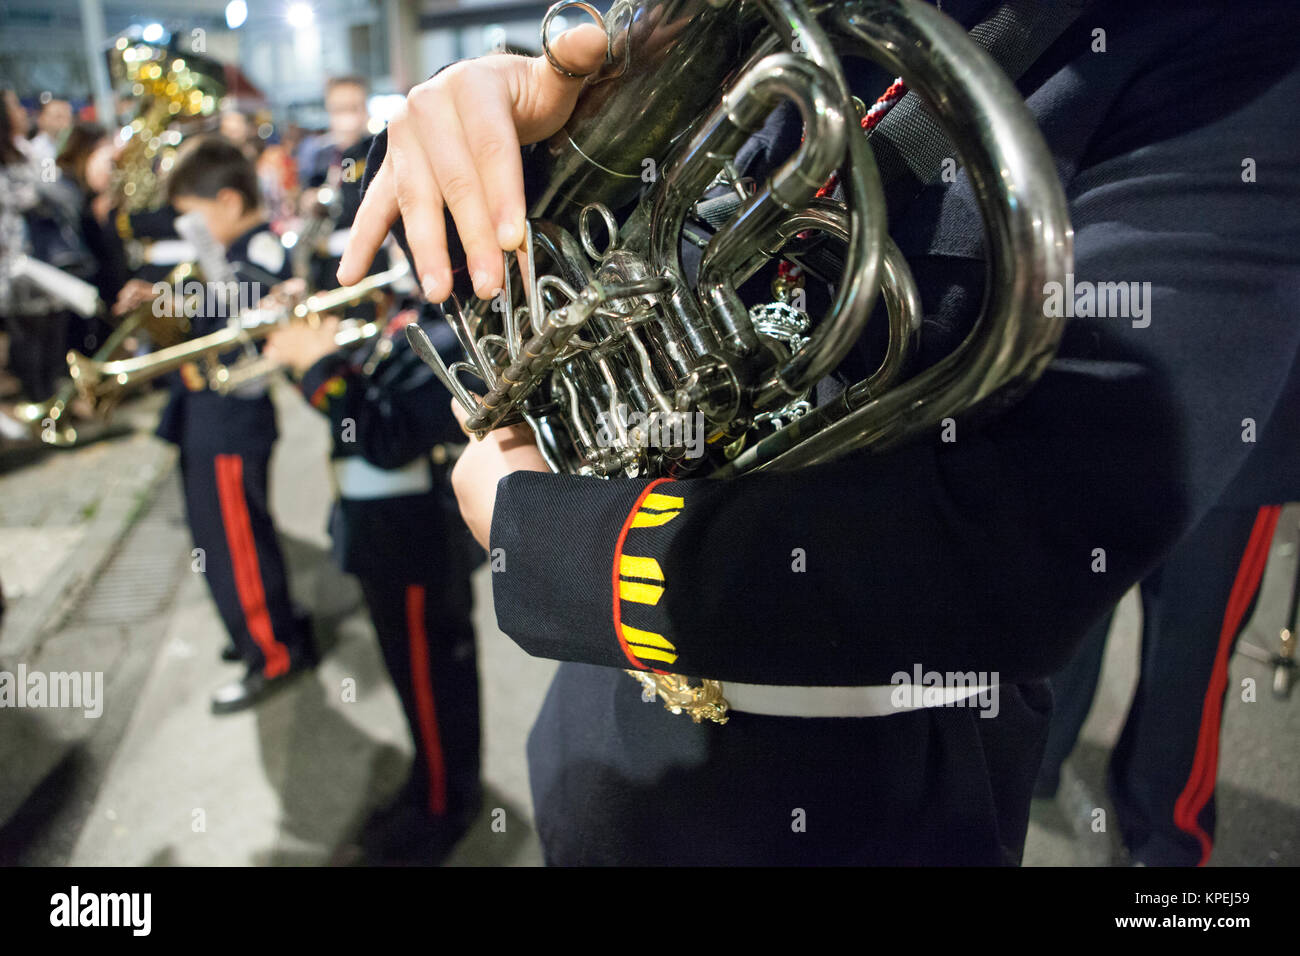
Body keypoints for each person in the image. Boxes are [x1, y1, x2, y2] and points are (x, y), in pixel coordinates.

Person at [339, 1, 1300, 865]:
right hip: (598, 747)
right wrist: (507, 133)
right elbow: (610, 255)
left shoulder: (1226, 47)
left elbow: (1029, 545)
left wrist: (547, 539)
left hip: (858, 806)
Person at [265, 303, 484, 864]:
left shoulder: (451, 332)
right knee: (415, 682)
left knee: (432, 687)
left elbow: (384, 435)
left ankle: (443, 806)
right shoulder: (397, 312)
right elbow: (347, 411)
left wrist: (317, 363)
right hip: (381, 538)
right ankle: (432, 785)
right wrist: (303, 358)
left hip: (412, 543)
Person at [115, 136, 315, 714]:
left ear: (228, 202)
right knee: (225, 535)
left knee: (235, 543)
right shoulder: (230, 252)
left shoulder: (263, 249)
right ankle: (257, 629)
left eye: (191, 218)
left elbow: (246, 306)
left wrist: (206, 285)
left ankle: (273, 651)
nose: (186, 230)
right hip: (204, 410)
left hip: (231, 416)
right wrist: (160, 303)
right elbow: (205, 308)